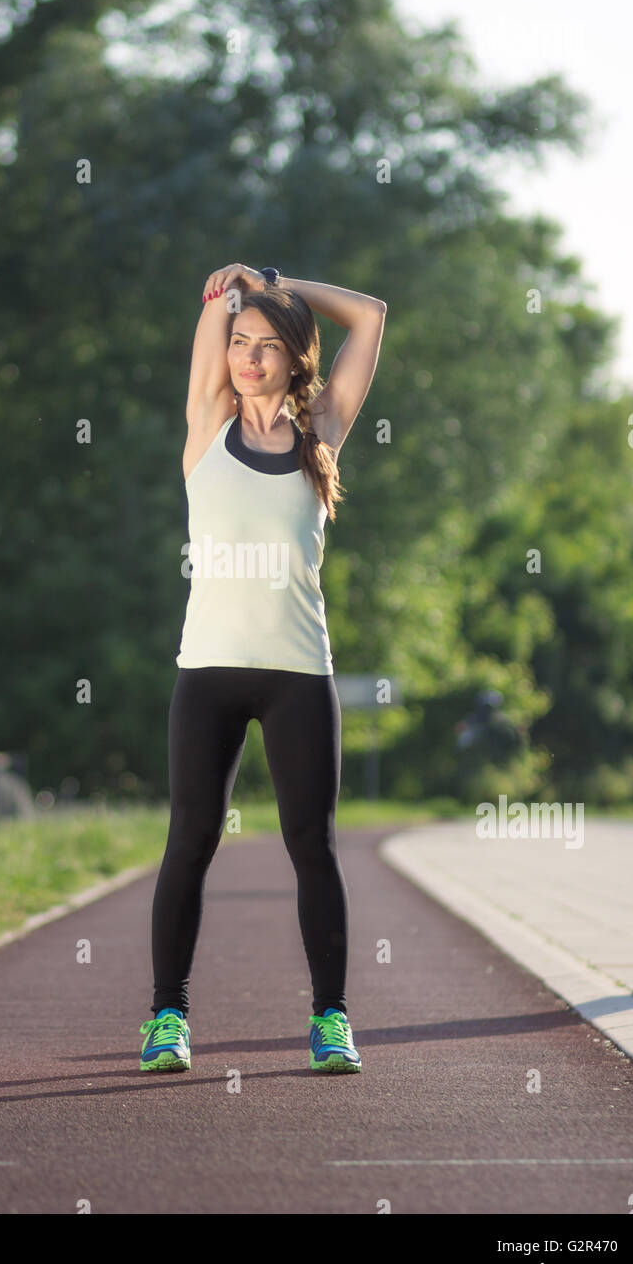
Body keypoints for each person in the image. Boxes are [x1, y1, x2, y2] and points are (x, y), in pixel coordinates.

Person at [139, 262, 387, 1074]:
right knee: (191, 840)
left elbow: (372, 315)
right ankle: (167, 1018)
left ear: (293, 357)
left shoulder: (324, 432)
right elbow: (212, 318)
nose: (248, 357)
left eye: (266, 346)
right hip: (206, 672)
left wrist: (286, 285)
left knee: (310, 846)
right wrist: (229, 295)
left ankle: (331, 1021)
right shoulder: (207, 423)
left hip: (296, 676)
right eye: (241, 343)